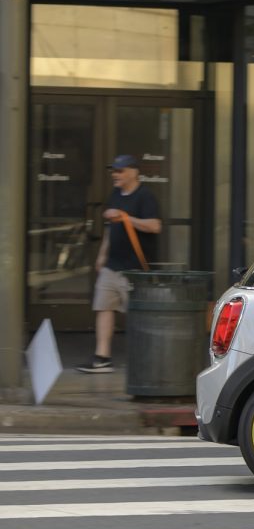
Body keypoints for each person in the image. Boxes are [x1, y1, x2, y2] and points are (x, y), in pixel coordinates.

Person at [76, 155, 161, 373]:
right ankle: (102, 357)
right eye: (114, 171)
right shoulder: (115, 195)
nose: (115, 175)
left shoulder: (145, 196)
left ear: (133, 172)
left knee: (137, 314)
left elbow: (155, 226)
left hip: (134, 268)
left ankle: (145, 359)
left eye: (120, 171)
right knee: (104, 307)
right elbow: (110, 229)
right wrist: (102, 256)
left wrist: (125, 217)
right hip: (111, 265)